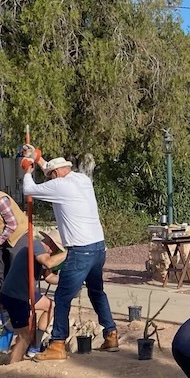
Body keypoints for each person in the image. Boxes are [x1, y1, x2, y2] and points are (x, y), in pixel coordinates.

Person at [19, 148, 117, 360]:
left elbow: (29, 189)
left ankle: (57, 344)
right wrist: (39, 159)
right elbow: (52, 170)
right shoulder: (81, 179)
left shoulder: (59, 185)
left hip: (80, 250)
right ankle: (111, 333)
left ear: (55, 175)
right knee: (96, 292)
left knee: (62, 297)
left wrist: (27, 170)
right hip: (98, 247)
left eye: (50, 174)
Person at [0, 231, 66, 364]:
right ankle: (13, 366)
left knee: (51, 306)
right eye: (58, 249)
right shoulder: (36, 246)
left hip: (26, 293)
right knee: (24, 336)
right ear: (52, 244)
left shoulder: (43, 254)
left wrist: (68, 280)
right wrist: (70, 252)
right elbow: (49, 263)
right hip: (16, 295)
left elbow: (49, 277)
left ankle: (34, 347)